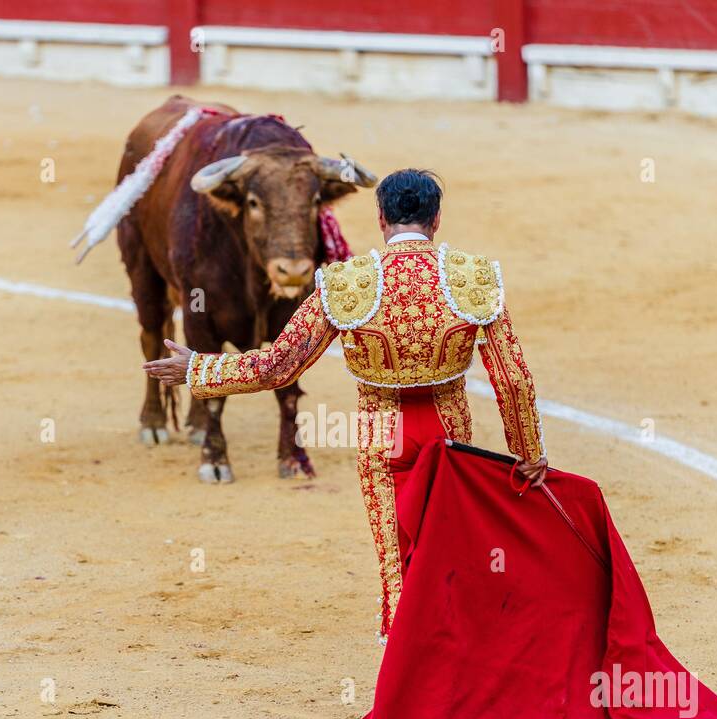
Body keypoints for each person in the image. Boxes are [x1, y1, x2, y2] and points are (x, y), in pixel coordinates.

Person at [145, 169, 547, 644]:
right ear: (436, 220)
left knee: (397, 570)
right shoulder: (472, 278)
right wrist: (528, 453)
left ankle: (404, 683)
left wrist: (200, 369)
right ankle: (455, 667)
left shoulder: (350, 282)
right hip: (449, 435)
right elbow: (514, 380)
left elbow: (279, 366)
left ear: (381, 218)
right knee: (446, 556)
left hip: (383, 437)